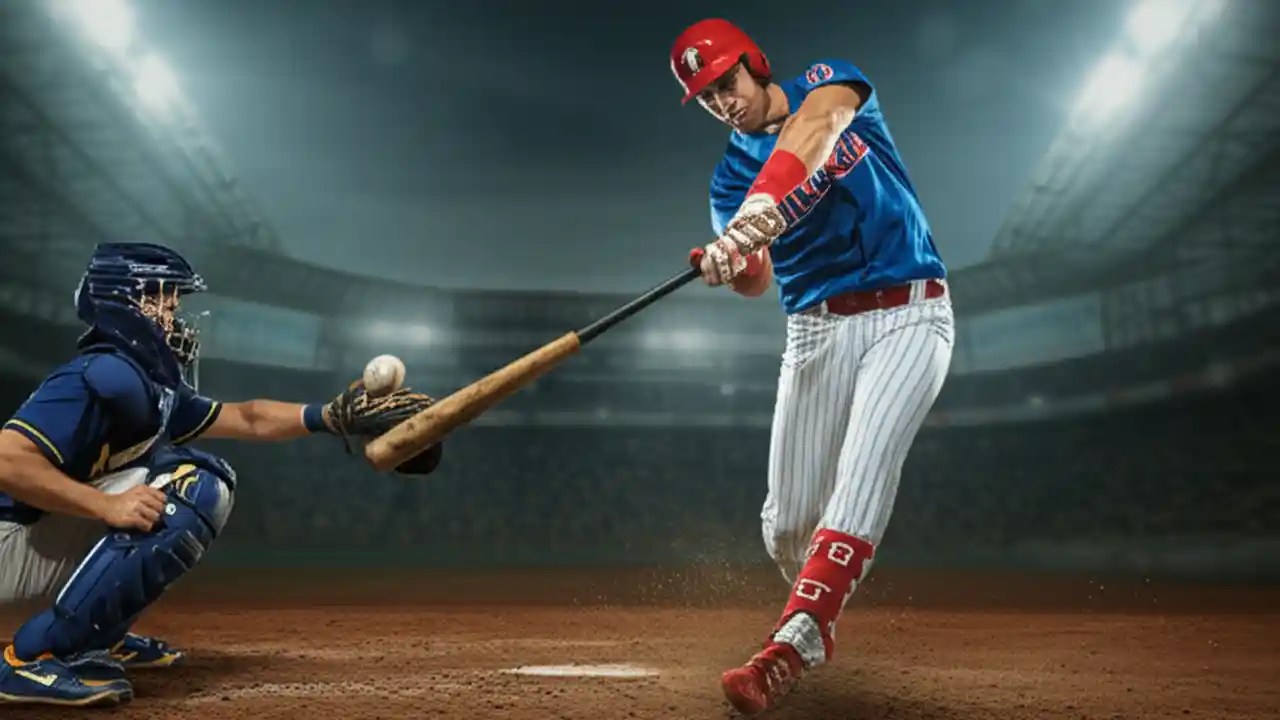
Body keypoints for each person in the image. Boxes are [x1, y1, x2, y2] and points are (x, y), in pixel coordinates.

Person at [0, 242, 441, 707]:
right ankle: (31, 659)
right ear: (123, 302)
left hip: (32, 536)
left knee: (196, 476)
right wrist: (106, 505)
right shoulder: (94, 373)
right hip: (10, 542)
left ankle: (92, 638)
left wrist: (330, 416)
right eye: (161, 296)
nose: (174, 310)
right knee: (190, 486)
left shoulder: (147, 383)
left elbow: (246, 418)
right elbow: (7, 459)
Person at [671, 18, 956, 715]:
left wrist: (763, 209)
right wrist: (732, 258)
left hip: (910, 312)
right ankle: (820, 596)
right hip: (815, 332)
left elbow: (817, 131)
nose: (723, 103)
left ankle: (790, 645)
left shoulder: (830, 83)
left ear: (755, 62)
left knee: (862, 471)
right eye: (706, 98)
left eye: (726, 82)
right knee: (787, 526)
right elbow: (758, 279)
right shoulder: (726, 180)